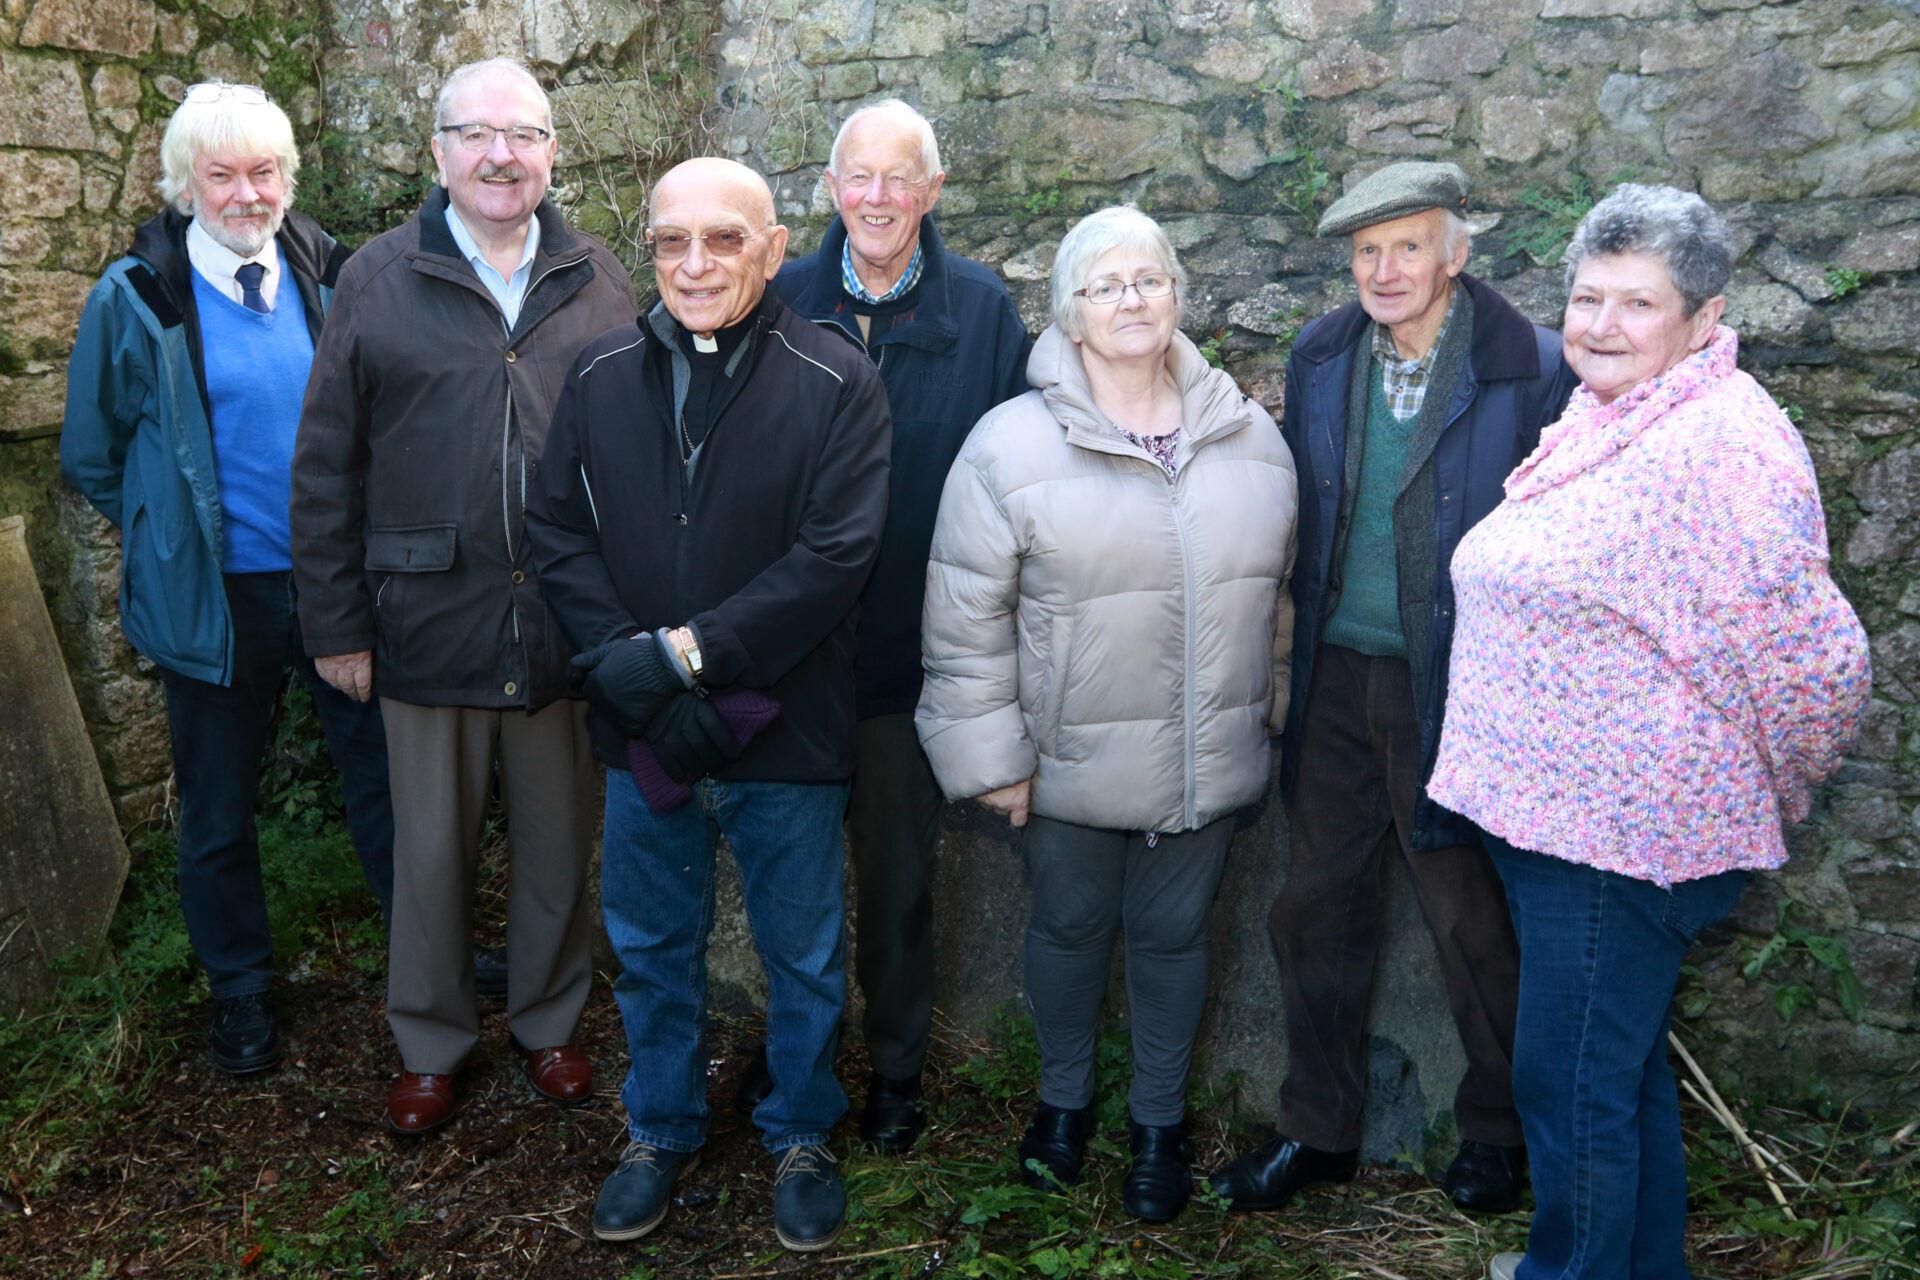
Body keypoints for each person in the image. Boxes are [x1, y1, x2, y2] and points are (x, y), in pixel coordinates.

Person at [1426, 184, 1871, 1280]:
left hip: (1623, 845)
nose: (1602, 324)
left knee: (1569, 1088)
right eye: (1587, 297)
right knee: (1610, 1079)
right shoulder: (1614, 410)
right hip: (1559, 826)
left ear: (1705, 318)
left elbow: (1819, 663)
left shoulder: (1727, 440)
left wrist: (1776, 782)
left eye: (1639, 302)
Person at [526, 157, 890, 1252]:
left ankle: (800, 1126)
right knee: (651, 942)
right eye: (671, 240)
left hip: (785, 723)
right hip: (643, 732)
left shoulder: (835, 378)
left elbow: (834, 557)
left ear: (774, 248)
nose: (694, 264)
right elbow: (557, 534)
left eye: (724, 239)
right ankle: (662, 1123)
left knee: (802, 950)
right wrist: (626, 663)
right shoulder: (595, 376)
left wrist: (685, 654)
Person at [1209, 161, 1579, 1216]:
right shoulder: (1323, 354)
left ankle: (1500, 1129)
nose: (1385, 269)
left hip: (1458, 687)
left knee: (1470, 915)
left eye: (1409, 245)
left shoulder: (1530, 369)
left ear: (1456, 254)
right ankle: (1317, 1126)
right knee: (1313, 905)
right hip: (1336, 675)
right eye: (1368, 251)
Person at [916, 205, 1298, 1223]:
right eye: (1104, 285)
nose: (1131, 300)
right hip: (1068, 755)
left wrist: (1272, 710)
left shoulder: (1250, 436)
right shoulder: (1011, 442)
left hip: (1203, 757)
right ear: (1069, 314)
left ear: (1179, 294)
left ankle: (1159, 1127)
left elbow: (1281, 599)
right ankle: (1061, 1108)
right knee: (1071, 927)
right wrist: (991, 753)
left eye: (1149, 279)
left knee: (1176, 938)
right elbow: (962, 612)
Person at [290, 58, 634, 1133]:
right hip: (425, 617)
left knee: (555, 839)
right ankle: (431, 1040)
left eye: (523, 134)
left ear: (552, 153)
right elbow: (326, 461)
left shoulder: (601, 276)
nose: (500, 155)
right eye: (476, 133)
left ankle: (547, 1021)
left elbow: (632, 455)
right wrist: (337, 622)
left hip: (562, 624)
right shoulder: (377, 279)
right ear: (436, 151)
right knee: (430, 850)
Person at [61, 83, 394, 1076]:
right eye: (223, 174)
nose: (247, 193)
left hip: (337, 587)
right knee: (216, 806)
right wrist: (168, 538)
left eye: (264, 172)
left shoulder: (326, 271)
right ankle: (240, 989)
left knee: (385, 781)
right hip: (218, 602)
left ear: (286, 179)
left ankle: (433, 957)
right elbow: (93, 452)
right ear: (183, 184)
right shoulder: (136, 296)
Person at [758, 98, 1032, 1153]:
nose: (876, 198)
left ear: (932, 192)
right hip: (784, 656)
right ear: (830, 189)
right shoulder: (777, 300)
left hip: (905, 662)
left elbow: (1014, 480)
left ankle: (898, 1068)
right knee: (787, 881)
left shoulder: (982, 311)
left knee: (898, 880)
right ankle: (798, 1062)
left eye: (898, 178)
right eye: (857, 177)